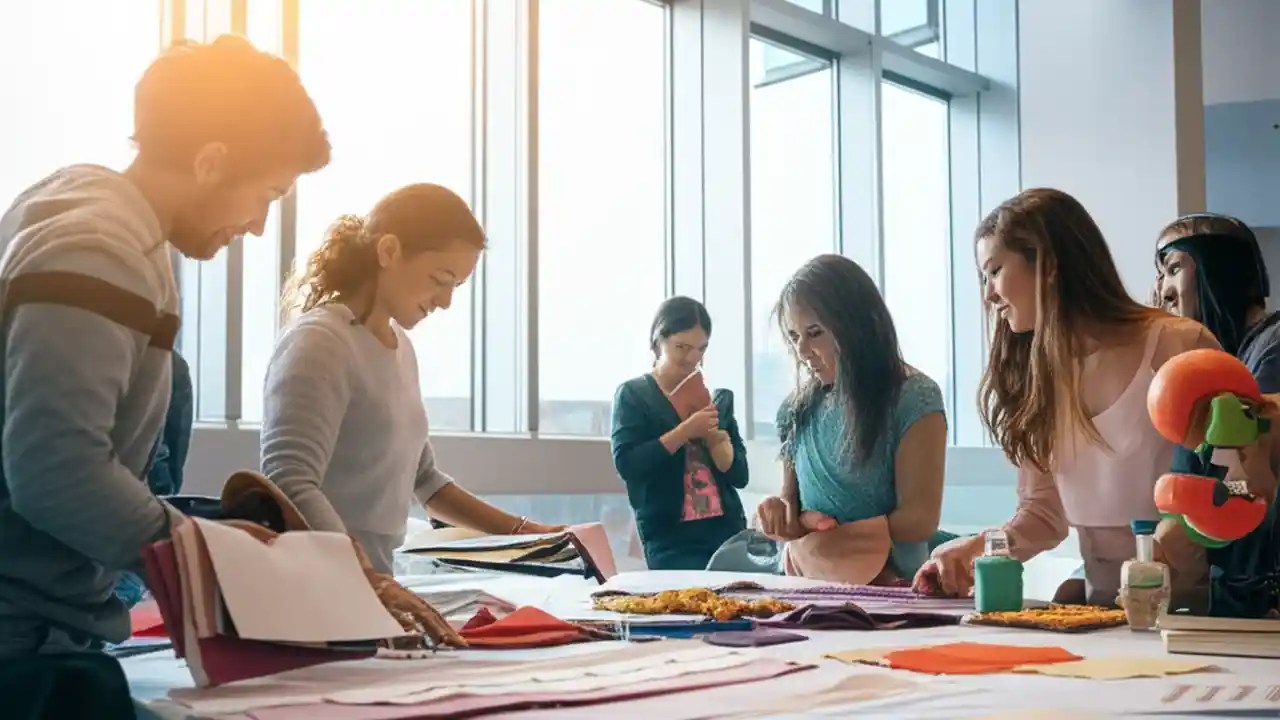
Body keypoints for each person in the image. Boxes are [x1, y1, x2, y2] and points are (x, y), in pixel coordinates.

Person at [914, 188, 1218, 606]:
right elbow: (1043, 515)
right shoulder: (1039, 377)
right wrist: (975, 549)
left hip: (1193, 617)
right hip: (1104, 616)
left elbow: (1233, 487)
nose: (988, 294)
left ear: (1049, 264)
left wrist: (1162, 556)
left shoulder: (1180, 346)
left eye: (995, 270)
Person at [262, 184, 561, 575]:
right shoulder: (321, 341)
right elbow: (289, 481)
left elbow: (426, 481)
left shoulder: (399, 347)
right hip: (323, 581)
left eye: (455, 286)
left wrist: (530, 534)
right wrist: (363, 579)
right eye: (440, 278)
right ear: (388, 251)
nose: (445, 301)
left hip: (373, 578)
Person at [754, 254, 947, 584]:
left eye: (814, 333)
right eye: (794, 337)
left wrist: (835, 539)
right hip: (809, 584)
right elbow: (791, 512)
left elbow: (920, 519)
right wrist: (771, 515)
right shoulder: (795, 410)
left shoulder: (914, 396)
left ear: (857, 326)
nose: (802, 351)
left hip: (895, 586)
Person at [1155, 213, 1280, 616]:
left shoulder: (1273, 346)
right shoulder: (1236, 357)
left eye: (1174, 268)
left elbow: (1247, 480)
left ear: (1218, 267)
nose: (1161, 290)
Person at [611, 296, 749, 570]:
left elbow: (740, 476)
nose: (692, 358)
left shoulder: (718, 400)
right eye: (681, 347)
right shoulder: (634, 395)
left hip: (727, 530)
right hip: (670, 537)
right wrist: (685, 431)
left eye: (701, 349)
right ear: (658, 341)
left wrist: (718, 443)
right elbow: (628, 464)